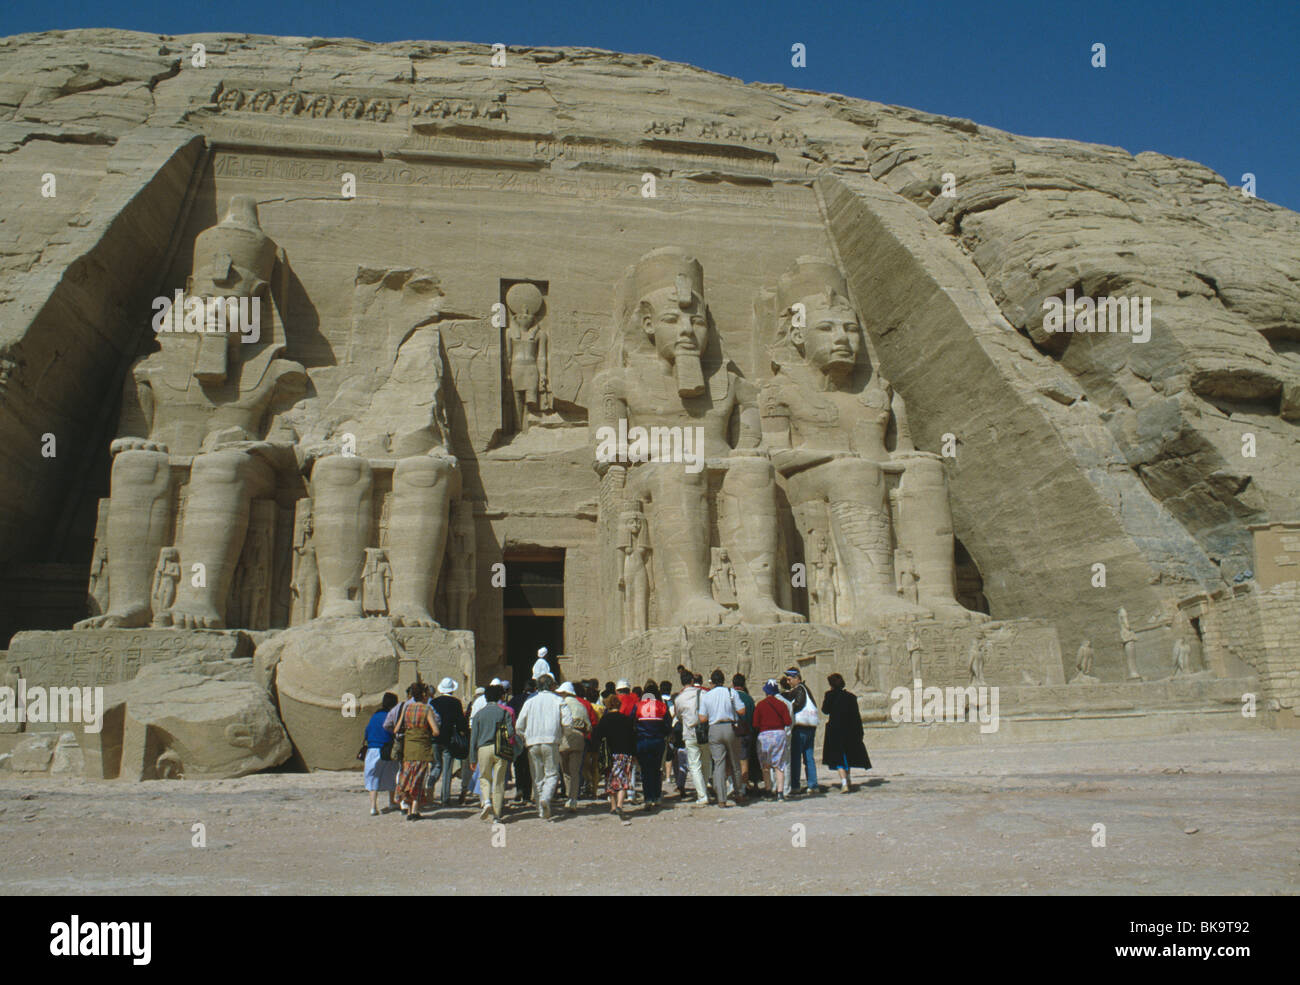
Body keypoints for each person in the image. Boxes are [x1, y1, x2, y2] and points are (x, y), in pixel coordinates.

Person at [515, 673, 572, 818]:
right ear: (552, 686)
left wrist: (525, 737)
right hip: (551, 740)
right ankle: (546, 798)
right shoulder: (558, 700)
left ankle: (541, 808)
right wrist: (563, 735)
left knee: (537, 776)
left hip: (532, 742)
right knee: (552, 773)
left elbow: (519, 725)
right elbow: (568, 723)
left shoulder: (530, 701)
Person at [698, 668, 747, 808]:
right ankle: (739, 793)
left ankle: (721, 798)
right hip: (730, 727)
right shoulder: (731, 692)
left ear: (712, 682)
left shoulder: (707, 696)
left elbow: (702, 718)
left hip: (714, 729)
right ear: (724, 680)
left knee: (719, 764)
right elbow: (742, 710)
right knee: (735, 762)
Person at [469, 683, 515, 821]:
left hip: (483, 748)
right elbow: (511, 732)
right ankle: (497, 814)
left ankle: (486, 802)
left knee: (484, 777)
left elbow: (474, 738)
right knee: (499, 782)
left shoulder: (479, 714)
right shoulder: (504, 712)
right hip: (500, 749)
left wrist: (472, 757)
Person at [395, 682, 440, 820]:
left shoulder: (406, 708)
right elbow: (436, 731)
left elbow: (396, 729)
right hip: (422, 749)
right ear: (424, 695)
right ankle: (414, 810)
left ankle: (408, 809)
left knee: (408, 777)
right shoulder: (427, 709)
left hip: (408, 749)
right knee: (418, 779)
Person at [821, 672, 871, 793]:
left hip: (835, 731)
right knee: (847, 756)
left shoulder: (829, 695)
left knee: (838, 757)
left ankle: (844, 783)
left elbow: (825, 710)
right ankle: (847, 779)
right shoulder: (851, 697)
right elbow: (856, 716)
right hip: (850, 731)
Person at [672, 668, 711, 806]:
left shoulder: (679, 699)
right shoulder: (705, 693)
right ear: (692, 681)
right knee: (706, 762)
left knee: (694, 765)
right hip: (705, 731)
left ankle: (702, 794)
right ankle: (704, 788)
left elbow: (678, 716)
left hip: (689, 733)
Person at [591, 693, 635, 815]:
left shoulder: (604, 720)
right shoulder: (626, 720)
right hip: (624, 753)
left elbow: (597, 737)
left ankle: (613, 806)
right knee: (623, 779)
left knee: (610, 779)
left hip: (609, 754)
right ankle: (620, 804)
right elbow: (632, 737)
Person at [781, 667, 822, 796]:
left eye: (789, 679)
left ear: (796, 678)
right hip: (810, 726)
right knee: (809, 756)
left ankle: (795, 785)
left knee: (796, 757)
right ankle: (813, 785)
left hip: (801, 727)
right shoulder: (805, 689)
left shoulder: (800, 689)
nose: (788, 682)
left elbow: (798, 703)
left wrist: (789, 708)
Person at [431, 677, 469, 807]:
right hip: (448, 739)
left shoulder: (434, 702)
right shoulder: (455, 703)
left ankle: (429, 787)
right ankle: (445, 798)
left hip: (435, 738)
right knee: (447, 769)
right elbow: (460, 722)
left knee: (436, 765)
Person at [634, 680, 670, 809]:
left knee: (645, 771)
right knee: (656, 769)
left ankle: (648, 798)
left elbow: (632, 723)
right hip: (657, 741)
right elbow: (667, 725)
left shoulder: (638, 706)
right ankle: (657, 796)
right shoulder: (661, 706)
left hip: (642, 741)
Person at [753, 679, 792, 799]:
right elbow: (788, 721)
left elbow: (755, 724)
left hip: (764, 735)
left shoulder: (760, 705)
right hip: (779, 735)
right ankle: (780, 792)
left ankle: (768, 791)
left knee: (765, 766)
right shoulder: (782, 704)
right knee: (779, 765)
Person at [362, 692, 399, 815]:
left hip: (372, 749)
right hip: (386, 749)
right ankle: (392, 801)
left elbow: (367, 733)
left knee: (373, 777)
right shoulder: (391, 716)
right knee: (391, 775)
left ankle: (373, 807)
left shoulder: (374, 716)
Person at [556, 681, 591, 811]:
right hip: (578, 738)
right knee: (575, 770)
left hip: (563, 738)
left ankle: (568, 796)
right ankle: (573, 799)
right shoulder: (581, 706)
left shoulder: (561, 704)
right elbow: (588, 726)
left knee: (565, 771)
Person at [732, 673, 756, 793]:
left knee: (732, 760)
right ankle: (743, 786)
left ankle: (733, 786)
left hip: (733, 732)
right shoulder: (748, 699)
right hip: (746, 732)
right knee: (744, 760)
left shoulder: (731, 696)